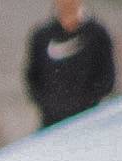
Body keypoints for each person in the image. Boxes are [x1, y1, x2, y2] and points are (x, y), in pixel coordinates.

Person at [24, 0, 116, 130]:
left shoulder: (97, 34)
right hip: (51, 127)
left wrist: (83, 103)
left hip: (89, 125)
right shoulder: (42, 37)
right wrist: (52, 105)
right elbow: (32, 79)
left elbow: (107, 79)